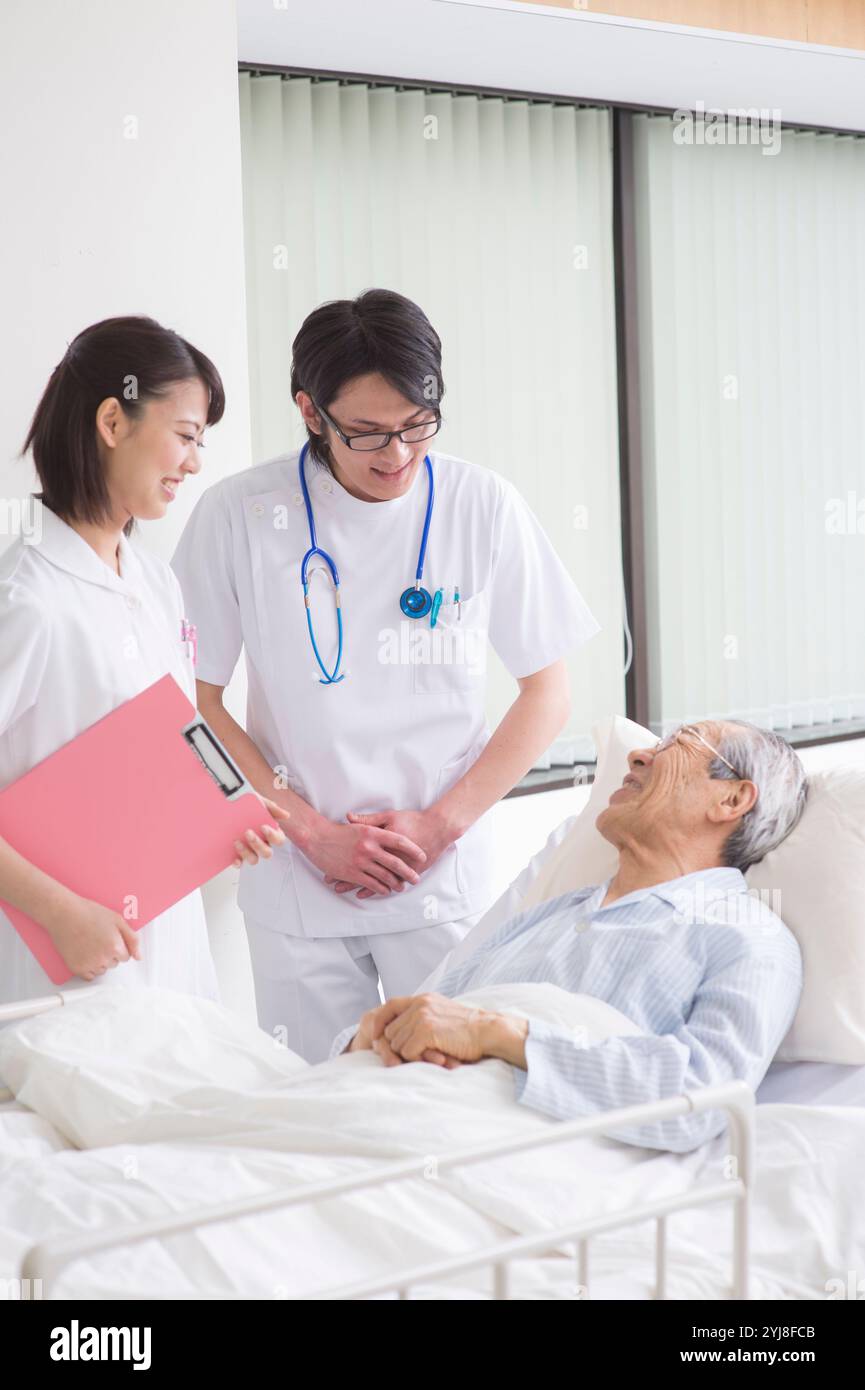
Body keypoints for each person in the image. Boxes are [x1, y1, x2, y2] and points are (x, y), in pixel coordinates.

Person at [171, 288, 600, 1062]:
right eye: (366, 433)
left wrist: (439, 825)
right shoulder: (239, 514)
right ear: (310, 411)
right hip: (298, 880)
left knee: (451, 1101)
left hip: (439, 881)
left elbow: (548, 690)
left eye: (415, 427)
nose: (396, 456)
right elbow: (191, 702)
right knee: (315, 1103)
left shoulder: (481, 505)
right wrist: (308, 830)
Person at [331, 720, 807, 1154]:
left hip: (485, 1154)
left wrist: (495, 1034)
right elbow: (433, 1017)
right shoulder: (543, 917)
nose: (638, 756)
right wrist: (371, 1036)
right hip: (373, 1116)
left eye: (677, 743)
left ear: (731, 800)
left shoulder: (749, 939)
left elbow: (703, 1099)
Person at [0, 315, 286, 1009]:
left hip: (168, 951)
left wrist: (227, 810)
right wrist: (60, 914)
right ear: (111, 420)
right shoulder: (26, 597)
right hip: (57, 965)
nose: (194, 462)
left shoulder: (154, 583)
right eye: (186, 436)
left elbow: (177, 736)